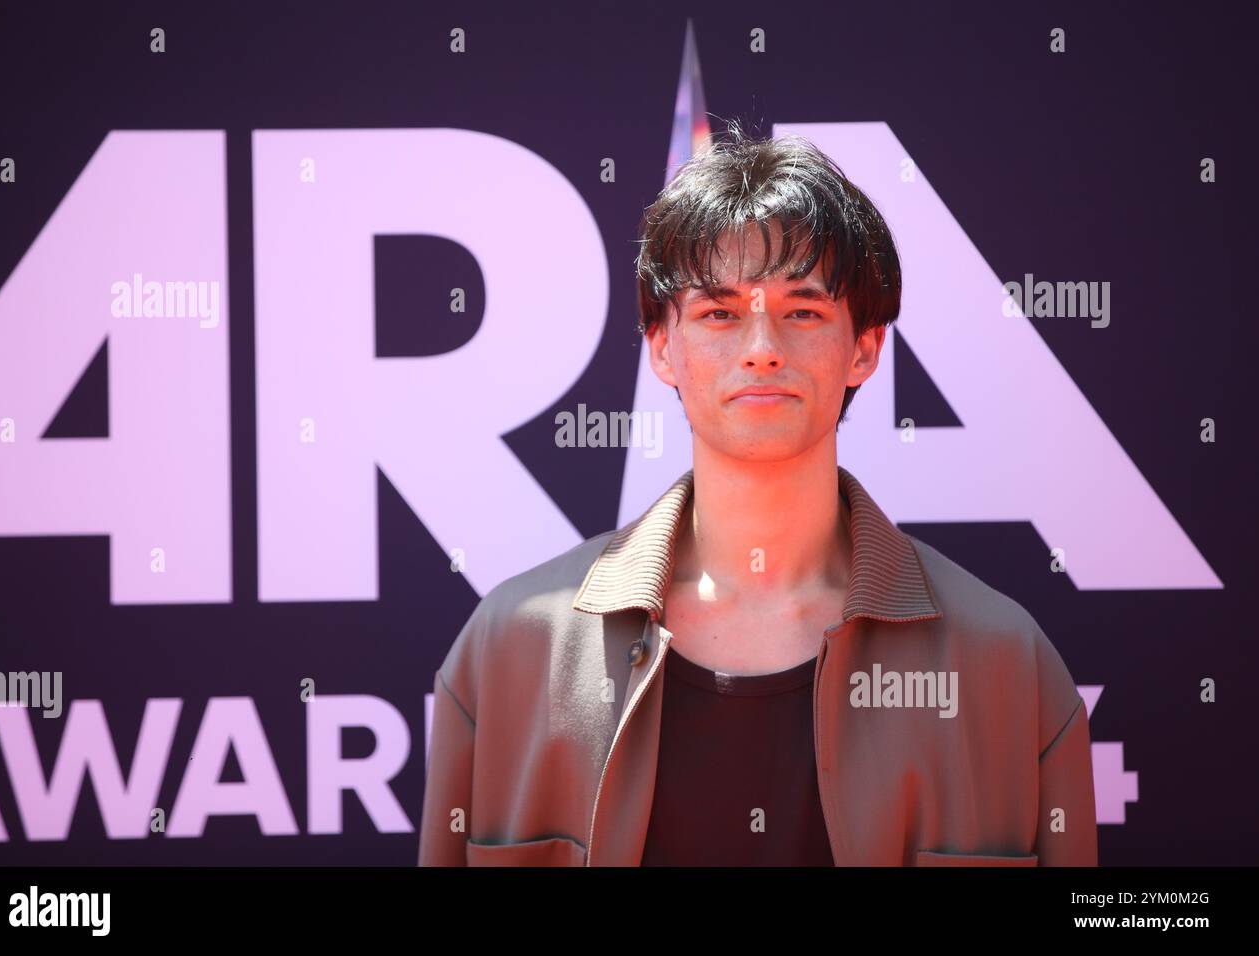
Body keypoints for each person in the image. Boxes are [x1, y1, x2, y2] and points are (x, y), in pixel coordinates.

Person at [418, 120, 1098, 867]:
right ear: (661, 348)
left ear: (865, 348)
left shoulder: (1005, 665)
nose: (763, 344)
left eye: (803, 310)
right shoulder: (510, 650)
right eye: (719, 312)